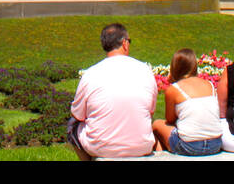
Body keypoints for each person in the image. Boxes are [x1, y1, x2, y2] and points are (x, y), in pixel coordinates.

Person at [67, 22, 158, 160]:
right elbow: (151, 110)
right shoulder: (145, 70)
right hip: (141, 146)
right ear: (125, 43)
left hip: (101, 147)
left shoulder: (91, 74)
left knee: (72, 125)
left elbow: (78, 114)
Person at [151, 48, 224, 155]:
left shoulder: (174, 89)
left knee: (157, 124)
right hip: (215, 144)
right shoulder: (210, 85)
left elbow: (170, 119)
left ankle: (161, 154)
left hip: (189, 146)